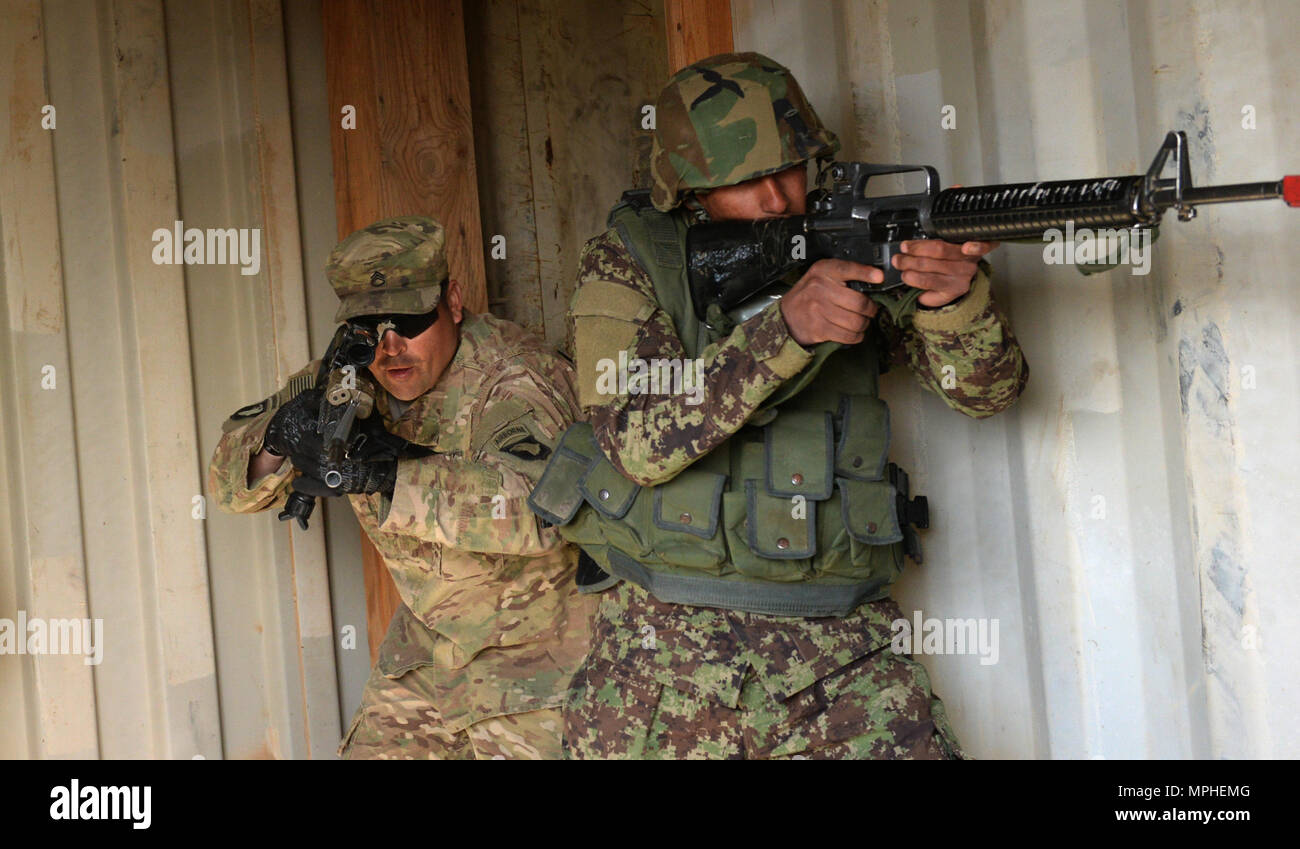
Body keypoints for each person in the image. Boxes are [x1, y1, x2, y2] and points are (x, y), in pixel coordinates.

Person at [531, 53, 1028, 759]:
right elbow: (636, 439)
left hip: (842, 653)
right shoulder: (632, 258)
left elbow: (988, 393)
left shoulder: (847, 239)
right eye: (743, 181)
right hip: (666, 659)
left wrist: (953, 298)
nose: (774, 199)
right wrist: (785, 332)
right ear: (690, 191)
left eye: (788, 170)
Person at [209, 215, 593, 759]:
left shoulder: (516, 378)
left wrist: (387, 475)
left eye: (409, 321)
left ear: (453, 302)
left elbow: (544, 510)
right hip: (428, 656)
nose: (391, 348)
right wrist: (280, 436)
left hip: (539, 658)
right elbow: (228, 488)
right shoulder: (345, 379)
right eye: (370, 328)